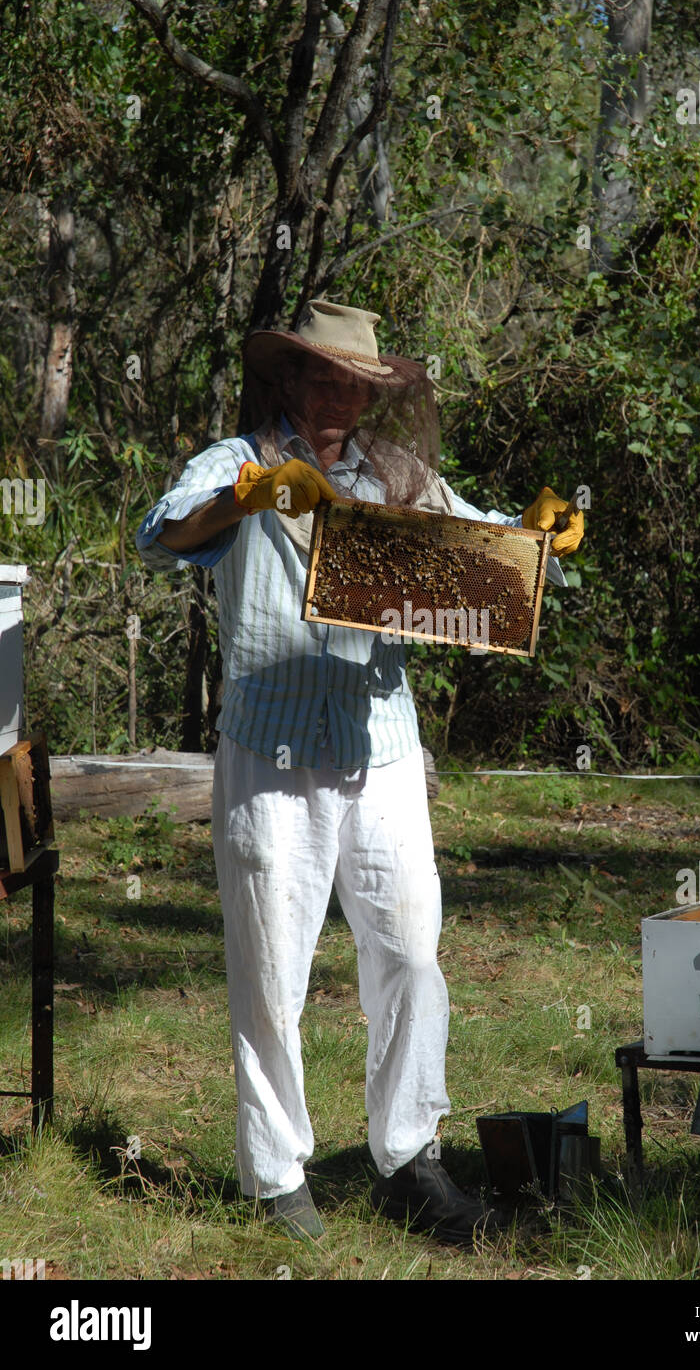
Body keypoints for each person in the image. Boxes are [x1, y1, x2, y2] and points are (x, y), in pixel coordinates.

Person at [135, 299, 584, 1244]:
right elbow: (162, 531)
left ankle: (410, 1159)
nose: (339, 395)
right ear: (289, 380)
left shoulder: (399, 477)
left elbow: (484, 546)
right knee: (270, 970)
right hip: (273, 752)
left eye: (356, 382)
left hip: (381, 747)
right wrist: (248, 497)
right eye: (324, 377)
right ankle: (276, 1177)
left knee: (411, 953)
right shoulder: (238, 462)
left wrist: (540, 534)